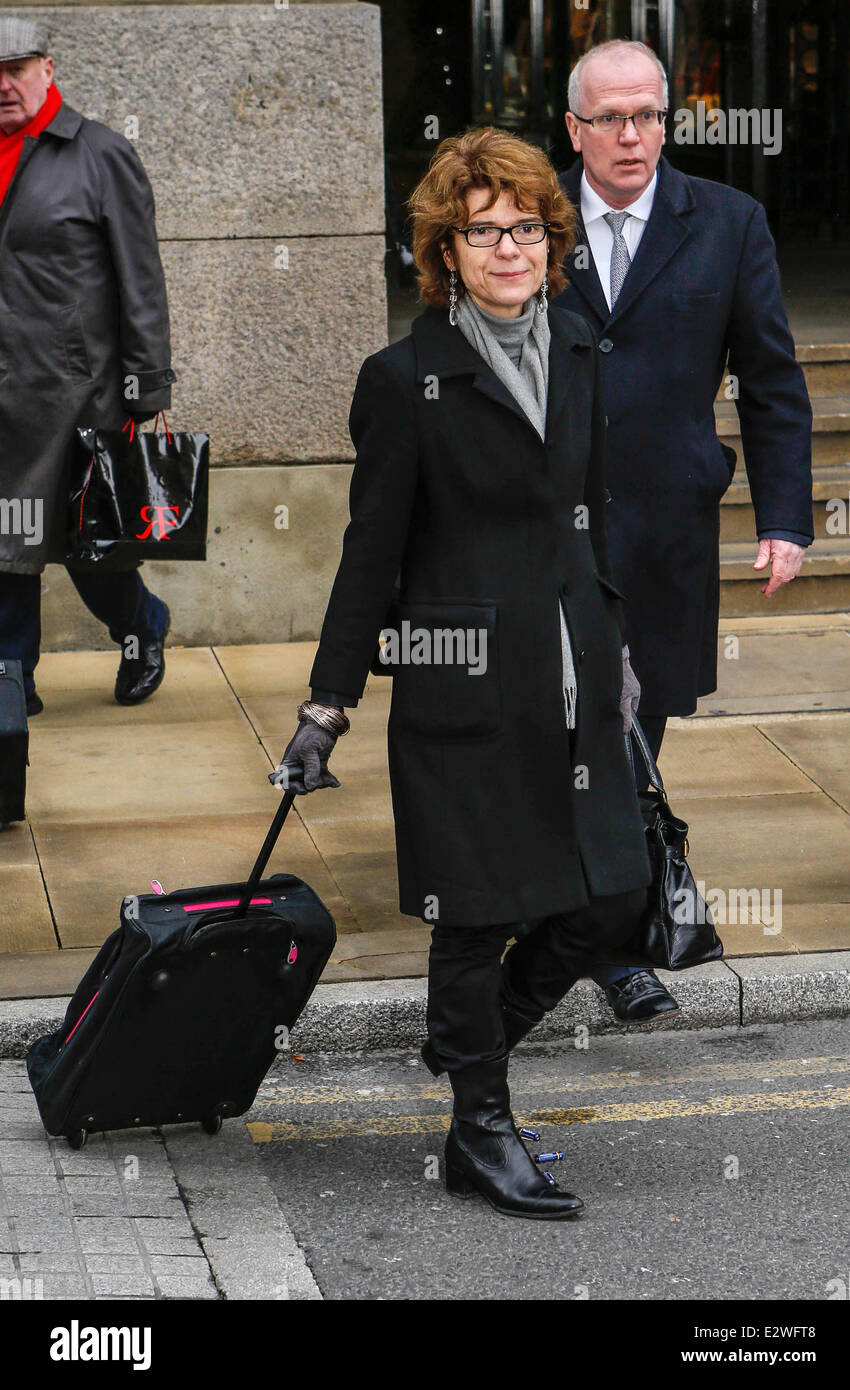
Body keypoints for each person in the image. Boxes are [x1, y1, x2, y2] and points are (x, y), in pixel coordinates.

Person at [270, 127, 653, 1220]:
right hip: (464, 689)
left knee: (608, 899)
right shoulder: (403, 380)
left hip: (576, 679)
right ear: (444, 250)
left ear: (550, 238)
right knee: (477, 917)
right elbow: (368, 554)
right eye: (480, 232)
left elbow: (581, 519)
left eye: (523, 228)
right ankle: (480, 1127)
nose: (506, 249)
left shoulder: (578, 344)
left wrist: (612, 652)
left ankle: (462, 1060)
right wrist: (325, 704)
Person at [556, 39, 813, 1025]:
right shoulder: (521, 218)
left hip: (663, 524)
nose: (632, 136)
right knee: (549, 725)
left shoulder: (728, 223)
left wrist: (783, 517)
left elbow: (773, 380)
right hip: (544, 520)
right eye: (610, 118)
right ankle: (552, 910)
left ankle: (618, 945)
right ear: (573, 128)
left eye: (648, 116)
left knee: (632, 734)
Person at [0, 18, 176, 716]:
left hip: (78, 393)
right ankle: (13, 682)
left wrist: (147, 389)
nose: (4, 85)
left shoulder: (98, 153)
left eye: (16, 67)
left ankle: (141, 627)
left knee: (91, 549)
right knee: (5, 548)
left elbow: (141, 281)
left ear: (47, 68)